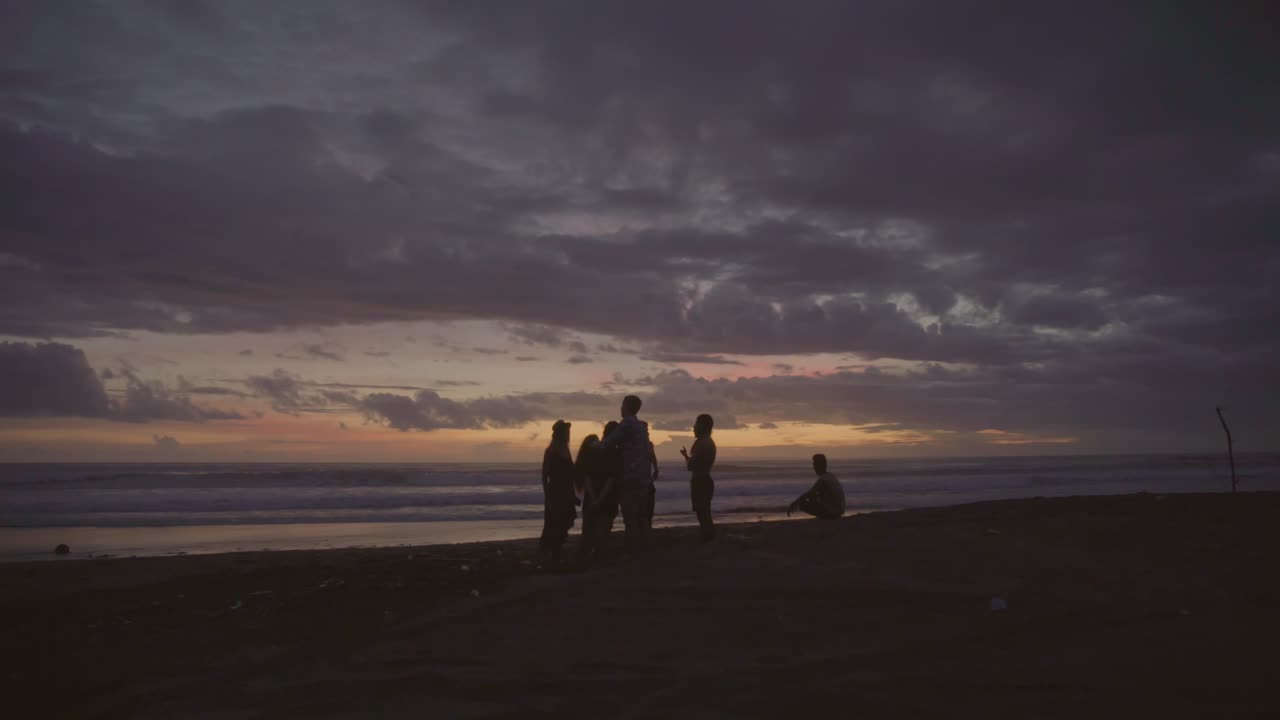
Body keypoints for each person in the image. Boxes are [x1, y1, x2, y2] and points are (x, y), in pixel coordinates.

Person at [595, 395, 653, 551]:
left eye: (622, 405)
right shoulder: (641, 426)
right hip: (643, 476)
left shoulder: (627, 423)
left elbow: (609, 442)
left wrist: (593, 446)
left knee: (631, 517)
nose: (620, 408)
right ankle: (646, 547)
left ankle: (636, 549)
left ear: (626, 406)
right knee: (642, 516)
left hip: (631, 476)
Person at [574, 432, 618, 567]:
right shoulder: (602, 458)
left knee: (590, 531)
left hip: (594, 499)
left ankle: (589, 558)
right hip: (600, 499)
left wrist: (595, 498)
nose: (599, 443)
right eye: (596, 442)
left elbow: (589, 480)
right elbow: (608, 479)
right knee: (599, 531)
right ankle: (595, 558)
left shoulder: (588, 459)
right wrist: (598, 498)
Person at [540, 420, 579, 569]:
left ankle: (556, 558)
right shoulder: (550, 451)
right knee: (555, 525)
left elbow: (571, 474)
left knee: (563, 525)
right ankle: (554, 560)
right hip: (556, 493)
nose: (569, 434)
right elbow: (545, 475)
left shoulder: (566, 450)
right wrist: (547, 496)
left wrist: (573, 494)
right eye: (567, 432)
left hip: (566, 492)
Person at [680, 413, 717, 541]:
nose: (693, 427)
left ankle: (707, 537)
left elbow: (692, 465)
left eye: (696, 424)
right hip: (704, 479)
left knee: (703, 512)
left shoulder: (703, 443)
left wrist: (686, 457)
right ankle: (708, 536)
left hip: (701, 481)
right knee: (704, 511)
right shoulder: (707, 442)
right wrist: (686, 456)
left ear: (702, 426)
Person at [787, 453, 845, 520]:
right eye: (814, 464)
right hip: (839, 510)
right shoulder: (830, 476)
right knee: (814, 495)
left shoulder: (824, 479)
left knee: (803, 503)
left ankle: (826, 515)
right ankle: (826, 514)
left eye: (815, 464)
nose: (813, 467)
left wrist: (794, 504)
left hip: (834, 511)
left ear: (819, 466)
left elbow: (809, 493)